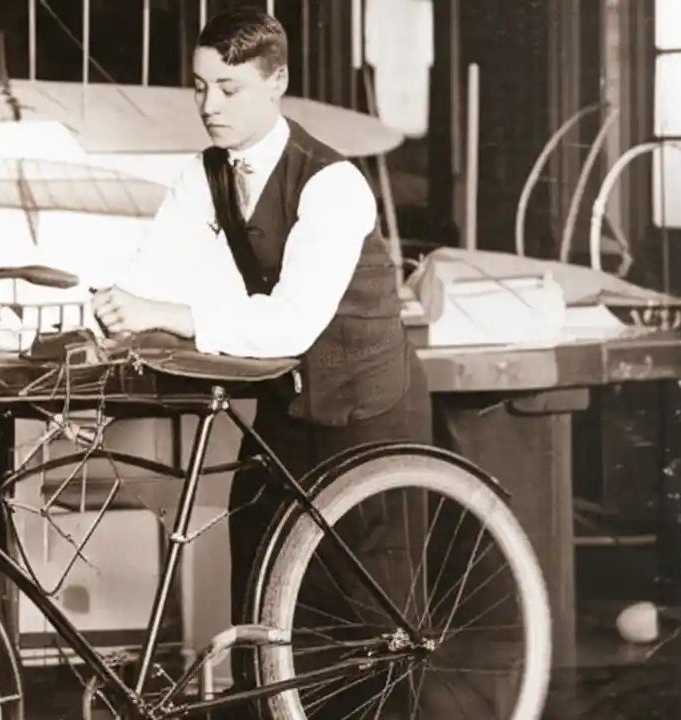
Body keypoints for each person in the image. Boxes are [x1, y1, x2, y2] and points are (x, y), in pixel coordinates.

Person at [92, 4, 432, 707]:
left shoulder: (331, 183)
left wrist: (168, 315)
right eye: (198, 86)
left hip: (371, 403)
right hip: (287, 402)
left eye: (229, 88)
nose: (208, 105)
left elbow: (290, 324)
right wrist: (107, 306)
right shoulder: (207, 172)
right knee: (259, 577)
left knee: (373, 609)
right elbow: (150, 269)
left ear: (277, 82)